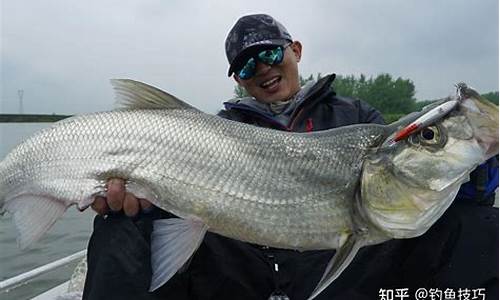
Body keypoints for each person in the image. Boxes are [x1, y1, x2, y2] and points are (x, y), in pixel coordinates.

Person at [83, 14, 498, 300]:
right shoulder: (211, 133)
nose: (261, 69)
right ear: (237, 80)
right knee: (120, 226)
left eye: (268, 54)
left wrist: (463, 181)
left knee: (477, 225)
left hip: (339, 268)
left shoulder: (357, 117)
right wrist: (138, 204)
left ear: (295, 49)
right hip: (240, 263)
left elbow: (401, 186)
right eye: (245, 67)